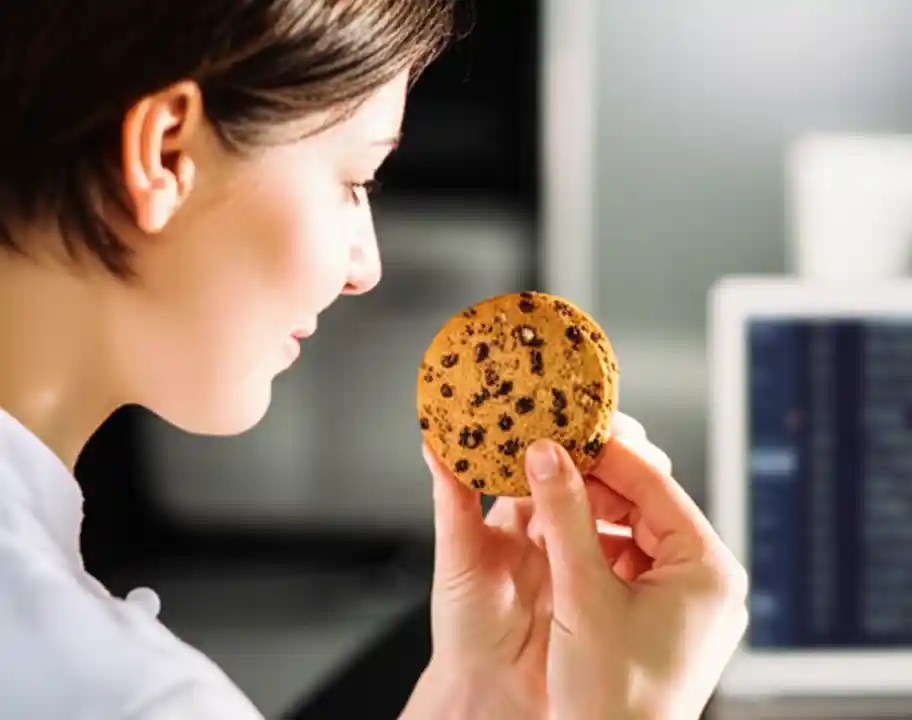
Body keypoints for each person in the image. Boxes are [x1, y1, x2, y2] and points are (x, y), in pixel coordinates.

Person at [0, 1, 749, 718]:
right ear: (167, 153)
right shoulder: (126, 696)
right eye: (353, 182)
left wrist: (476, 701)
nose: (367, 267)